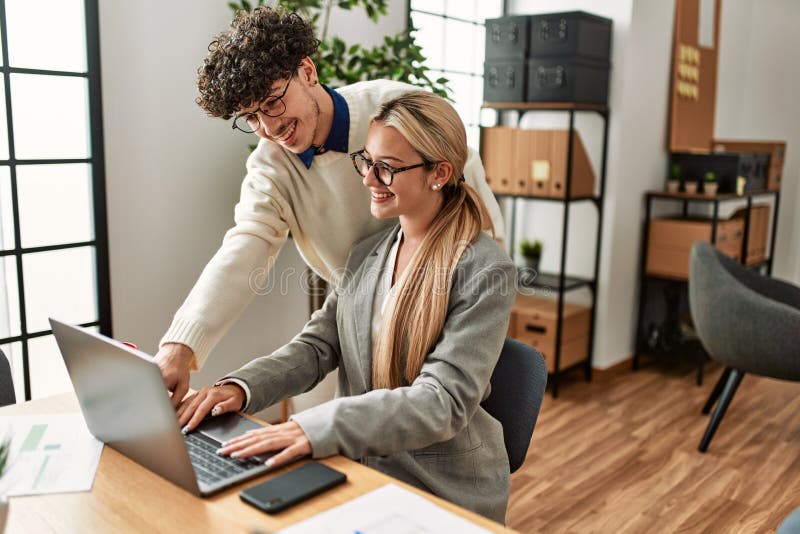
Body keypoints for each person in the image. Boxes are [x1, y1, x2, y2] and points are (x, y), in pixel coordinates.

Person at [176, 91, 516, 523]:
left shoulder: (485, 271)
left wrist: (316, 426)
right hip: (358, 469)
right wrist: (239, 389)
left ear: (439, 173)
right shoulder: (367, 254)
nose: (369, 179)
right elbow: (317, 347)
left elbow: (441, 402)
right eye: (366, 161)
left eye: (387, 168)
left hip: (438, 489)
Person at [155, 7, 505, 403]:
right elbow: (245, 246)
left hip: (441, 315)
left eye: (272, 103)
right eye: (251, 117)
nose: (269, 129)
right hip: (360, 322)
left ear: (307, 71)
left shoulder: (395, 111)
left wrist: (481, 310)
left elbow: (478, 217)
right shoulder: (271, 166)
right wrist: (179, 347)